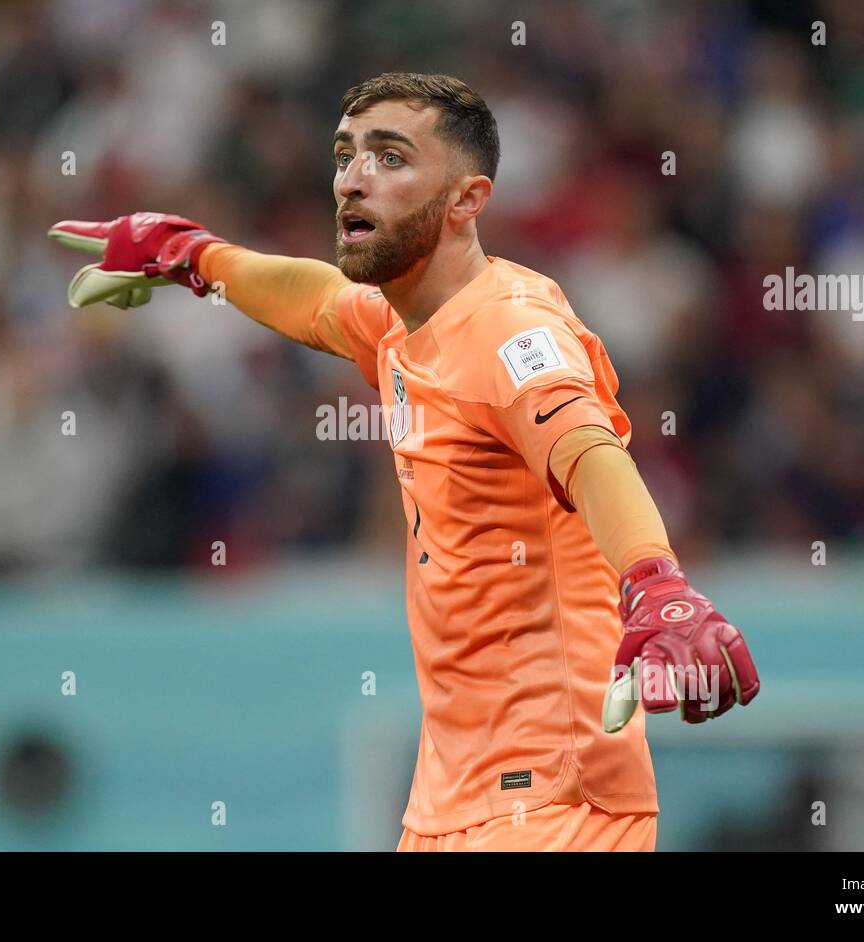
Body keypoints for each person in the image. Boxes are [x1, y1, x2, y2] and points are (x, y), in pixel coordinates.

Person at [49, 72, 760, 852]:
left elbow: (590, 452)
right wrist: (195, 256)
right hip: (452, 804)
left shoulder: (509, 328)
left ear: (465, 200)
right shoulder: (404, 323)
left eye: (390, 157)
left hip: (554, 797)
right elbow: (315, 300)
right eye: (345, 155)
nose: (353, 179)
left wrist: (656, 585)